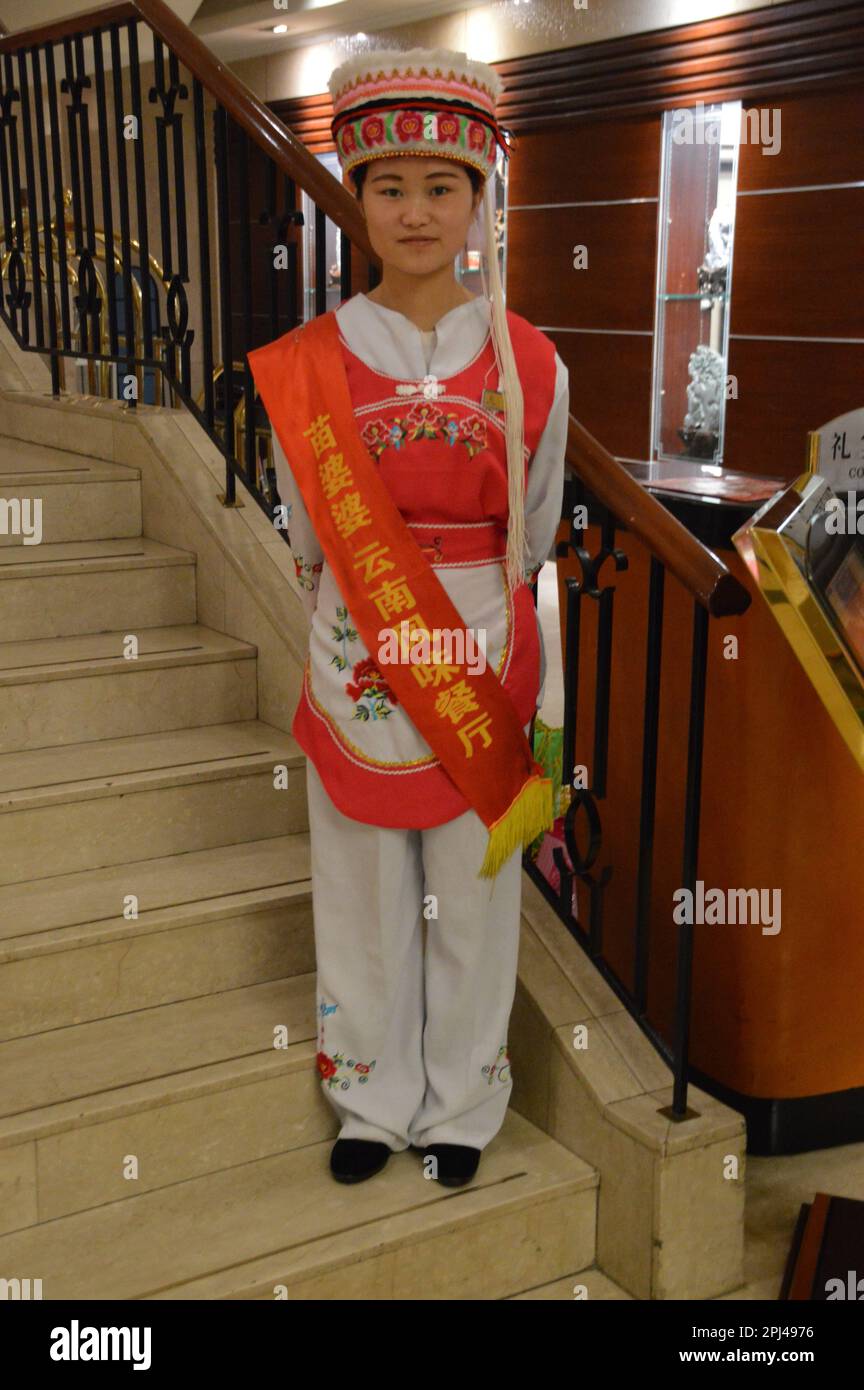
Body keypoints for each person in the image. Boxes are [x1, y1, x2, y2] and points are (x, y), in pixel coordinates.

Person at [247, 46, 569, 1189]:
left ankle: (464, 1105)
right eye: (390, 185)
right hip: (358, 654)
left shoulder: (530, 361)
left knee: (473, 899)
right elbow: (303, 533)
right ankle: (368, 1095)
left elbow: (532, 531)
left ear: (480, 194)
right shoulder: (310, 363)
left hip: (481, 653)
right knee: (365, 887)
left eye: (442, 186)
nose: (416, 211)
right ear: (358, 197)